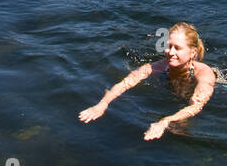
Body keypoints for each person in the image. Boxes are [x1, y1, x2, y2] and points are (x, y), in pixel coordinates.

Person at [79, 22, 216, 140]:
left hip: (219, 92)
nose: (170, 52)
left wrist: (165, 121)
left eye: (177, 48)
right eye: (169, 46)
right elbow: (125, 83)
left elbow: (196, 105)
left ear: (193, 53)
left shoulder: (204, 73)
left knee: (180, 128)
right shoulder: (156, 67)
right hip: (173, 87)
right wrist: (102, 104)